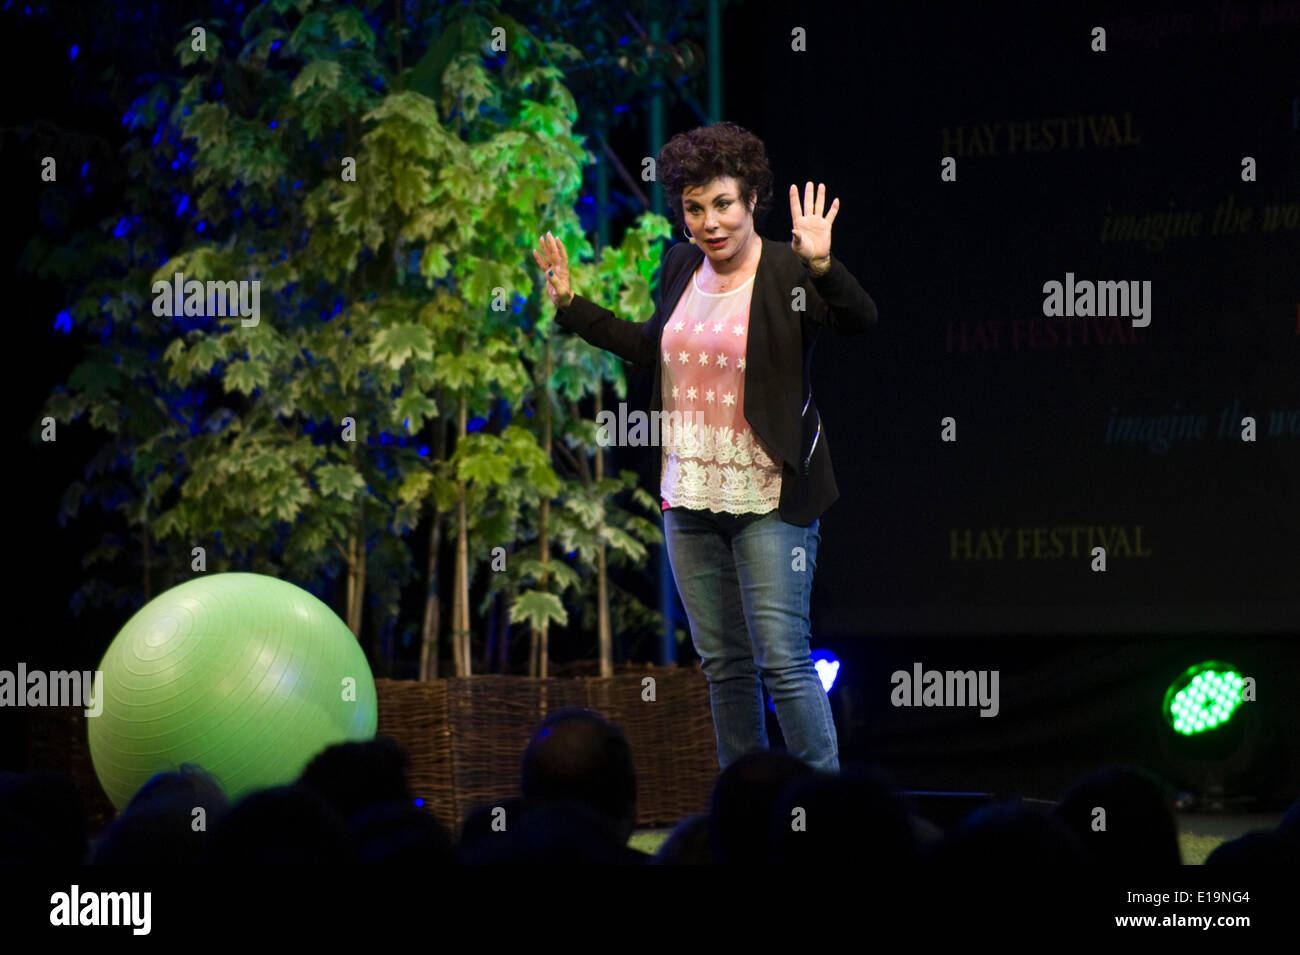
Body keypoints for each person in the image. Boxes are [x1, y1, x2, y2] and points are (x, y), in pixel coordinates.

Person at [534, 121, 878, 773]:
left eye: (722, 203)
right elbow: (649, 347)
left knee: (781, 658)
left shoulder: (785, 269)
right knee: (725, 665)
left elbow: (860, 320)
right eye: (694, 207)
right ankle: (748, 812)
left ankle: (828, 816)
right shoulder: (680, 264)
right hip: (688, 496)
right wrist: (572, 305)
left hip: (769, 494)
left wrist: (823, 266)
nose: (708, 222)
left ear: (752, 199)